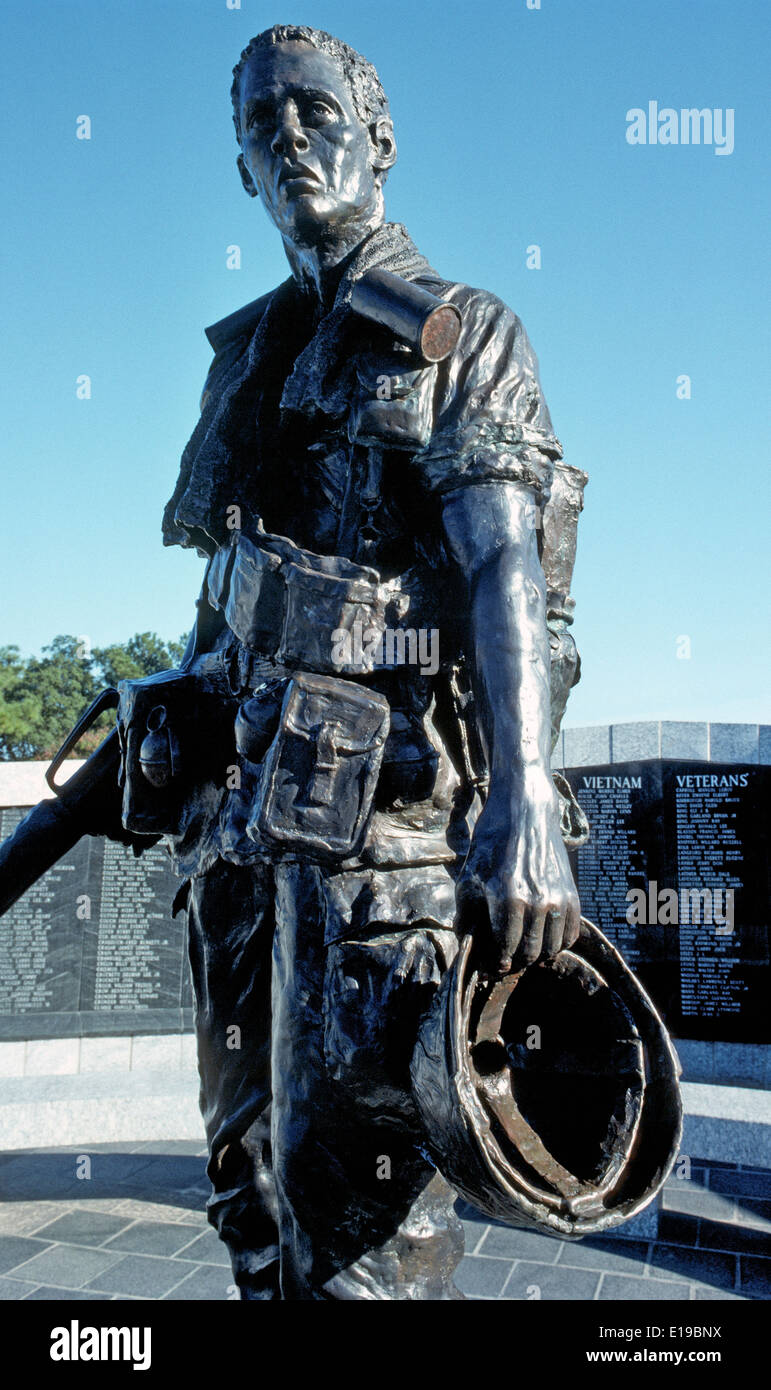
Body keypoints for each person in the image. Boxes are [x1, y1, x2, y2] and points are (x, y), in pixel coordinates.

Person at [160, 24, 586, 1300]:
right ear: (242, 168)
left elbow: (509, 570)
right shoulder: (249, 361)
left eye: (313, 108)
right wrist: (170, 706)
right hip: (239, 852)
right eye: (260, 123)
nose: (288, 136)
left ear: (379, 134)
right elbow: (225, 598)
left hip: (385, 849)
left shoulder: (459, 333)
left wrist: (523, 799)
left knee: (365, 1240)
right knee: (253, 1196)